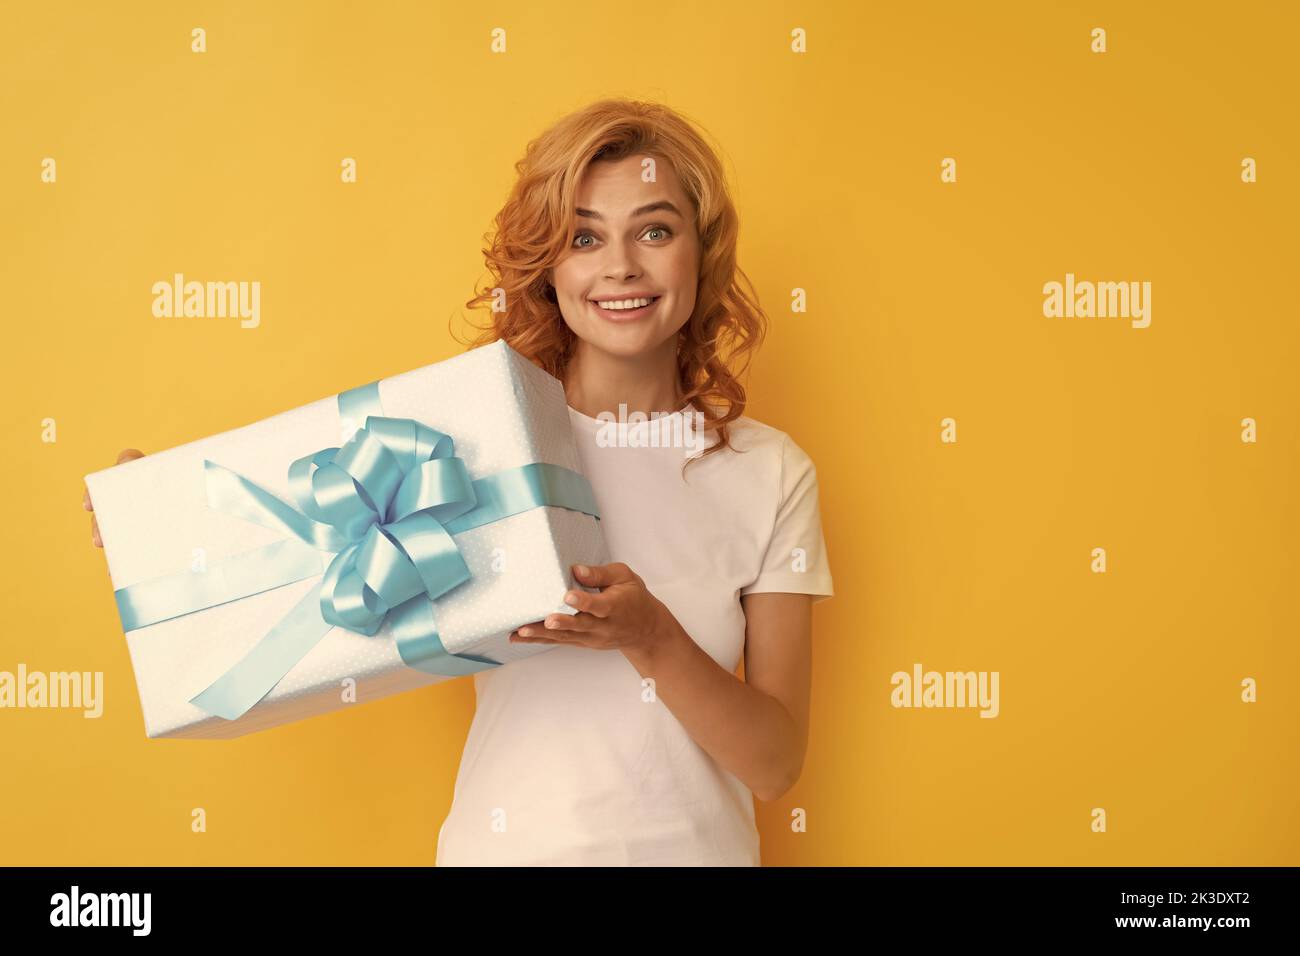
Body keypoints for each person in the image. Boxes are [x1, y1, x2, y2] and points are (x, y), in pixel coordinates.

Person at [84, 98, 834, 866]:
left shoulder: (769, 471)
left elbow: (776, 764)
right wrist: (160, 515)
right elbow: (317, 552)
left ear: (699, 251)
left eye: (654, 229)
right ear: (550, 263)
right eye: (584, 236)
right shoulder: (481, 438)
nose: (620, 266)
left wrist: (652, 637)